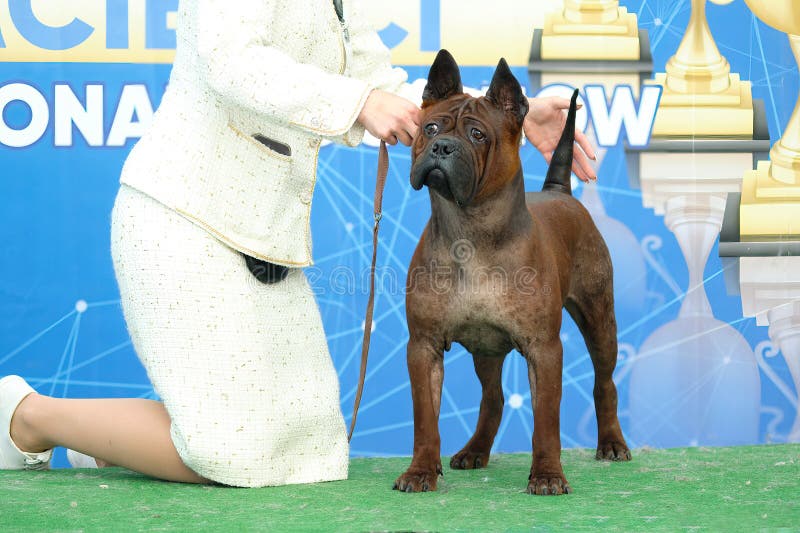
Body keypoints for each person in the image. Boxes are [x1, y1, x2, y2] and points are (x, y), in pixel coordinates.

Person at [0, 0, 596, 487]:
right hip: (181, 218)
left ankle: (109, 445)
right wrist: (357, 103)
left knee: (312, 456)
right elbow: (230, 62)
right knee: (233, 456)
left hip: (265, 241)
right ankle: (27, 418)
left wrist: (503, 119)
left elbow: (381, 85)